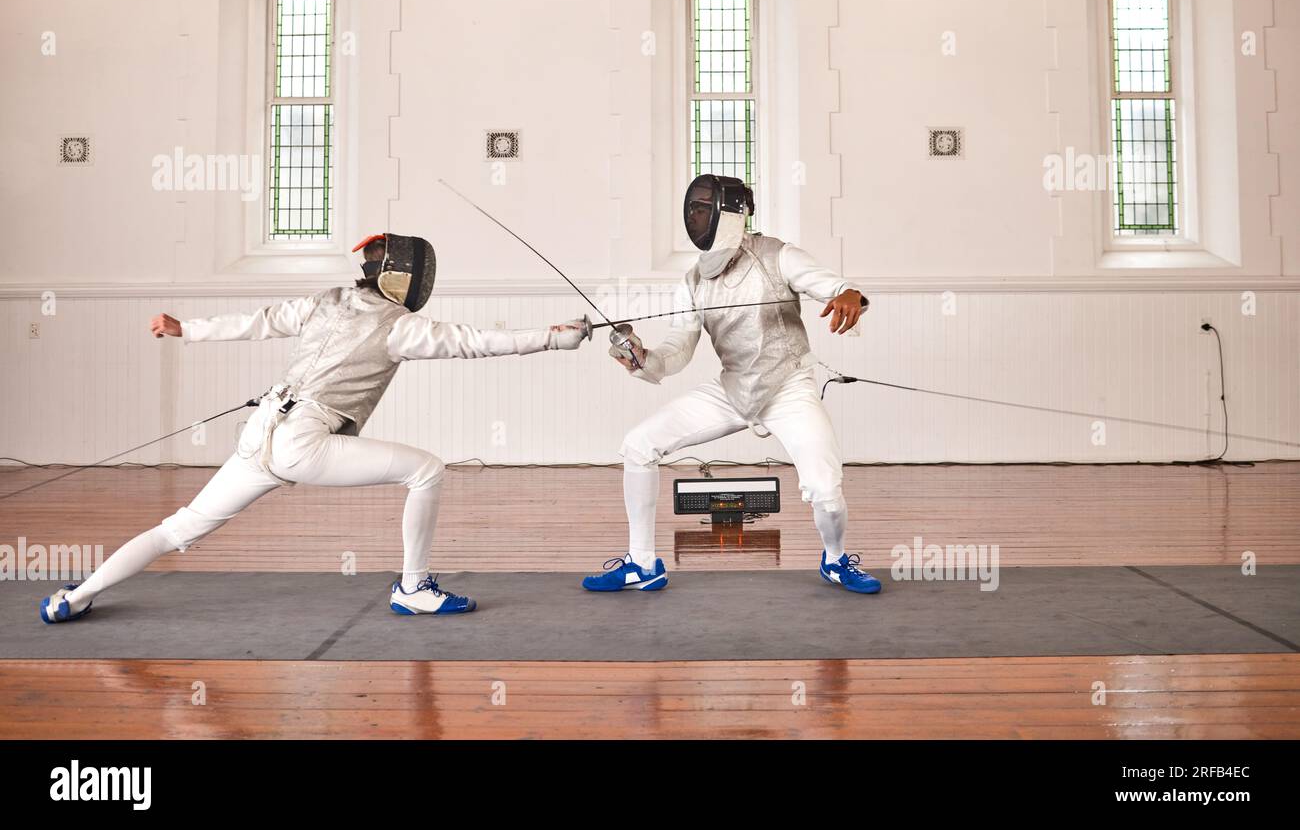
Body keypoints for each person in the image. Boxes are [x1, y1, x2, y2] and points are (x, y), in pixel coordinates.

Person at [40, 233, 588, 623]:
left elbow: (263, 321)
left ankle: (77, 596)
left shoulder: (328, 301)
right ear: (406, 278)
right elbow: (477, 342)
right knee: (426, 471)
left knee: (179, 527)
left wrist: (188, 329)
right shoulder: (400, 328)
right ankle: (415, 588)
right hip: (305, 439)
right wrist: (552, 337)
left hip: (261, 431)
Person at [583, 175, 881, 594]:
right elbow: (679, 348)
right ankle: (642, 564)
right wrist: (643, 358)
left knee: (825, 489)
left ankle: (835, 560)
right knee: (638, 445)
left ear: (731, 212)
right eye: (693, 208)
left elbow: (831, 287)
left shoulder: (776, 255)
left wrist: (850, 295)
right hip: (732, 389)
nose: (696, 216)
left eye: (705, 208)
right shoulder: (693, 281)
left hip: (787, 387)